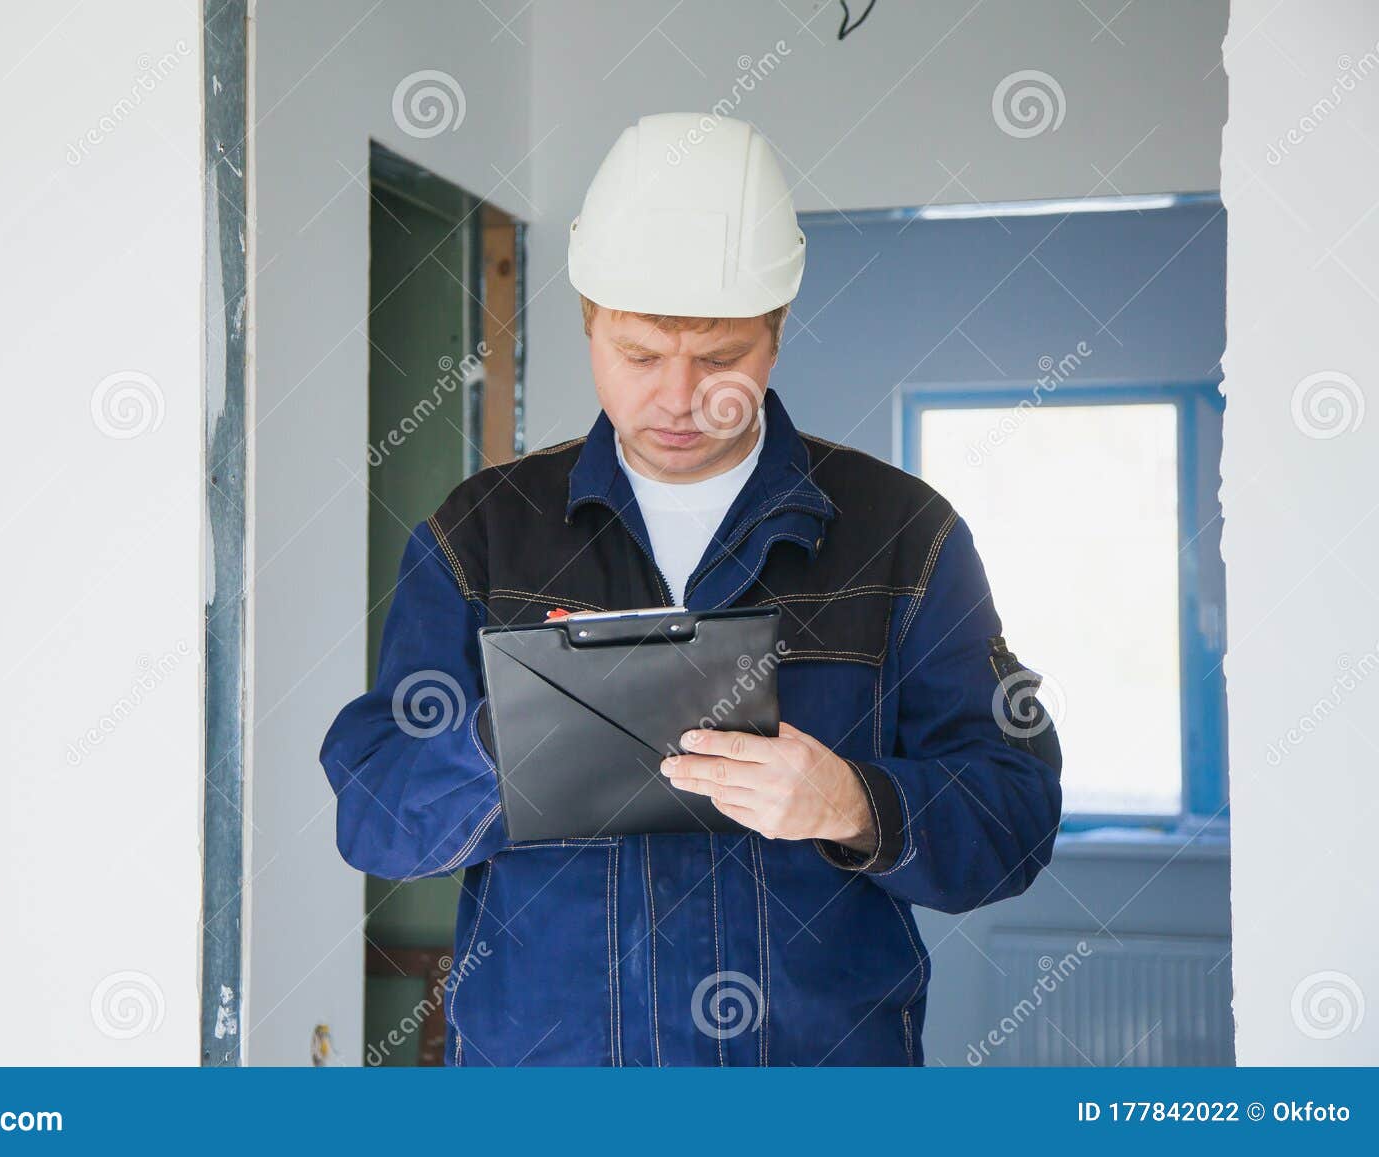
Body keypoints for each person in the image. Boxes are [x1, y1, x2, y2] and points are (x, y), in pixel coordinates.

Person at [321, 113, 1062, 1066]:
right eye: (638, 356)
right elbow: (376, 815)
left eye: (720, 359)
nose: (678, 398)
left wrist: (854, 802)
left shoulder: (903, 536)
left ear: (777, 334)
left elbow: (1015, 816)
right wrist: (507, 745)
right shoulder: (481, 533)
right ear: (590, 320)